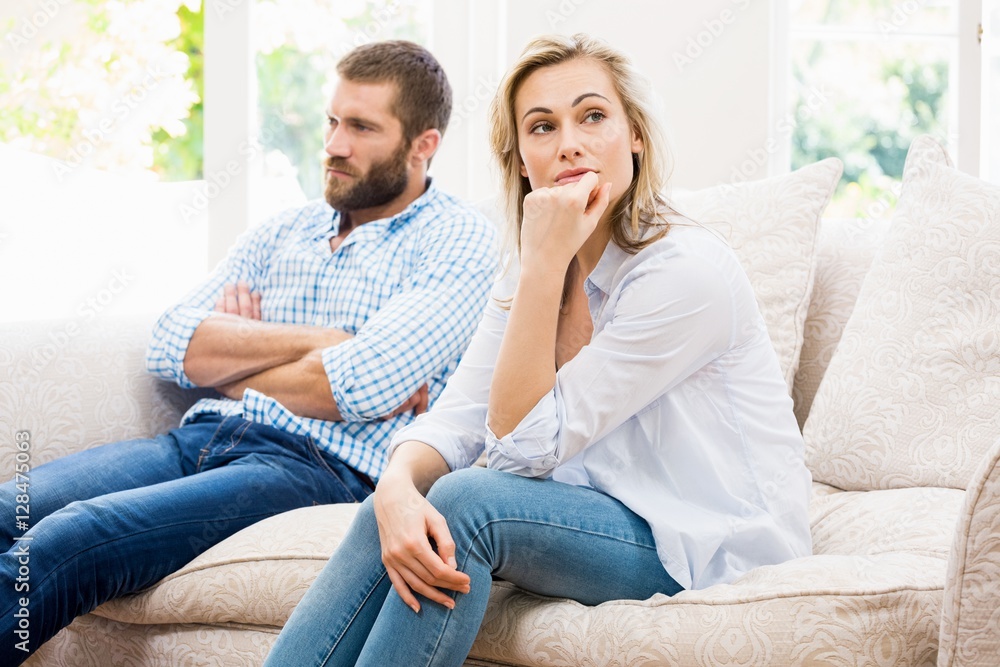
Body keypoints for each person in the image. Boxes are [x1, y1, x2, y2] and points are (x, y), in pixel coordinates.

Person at [263, 33, 812, 667]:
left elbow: (519, 449)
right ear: (523, 159)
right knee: (399, 512)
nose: (569, 142)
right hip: (601, 509)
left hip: (704, 539)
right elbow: (460, 415)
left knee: (468, 504)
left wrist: (545, 262)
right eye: (542, 127)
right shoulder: (531, 269)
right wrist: (392, 487)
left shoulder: (683, 275)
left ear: (635, 134)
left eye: (593, 116)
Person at [0, 40, 497, 664]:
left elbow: (357, 386)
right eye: (332, 121)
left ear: (424, 144)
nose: (335, 144)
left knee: (69, 539)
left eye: (362, 127)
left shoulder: (459, 239)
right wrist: (329, 343)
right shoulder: (280, 232)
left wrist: (234, 360)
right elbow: (168, 343)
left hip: (315, 469)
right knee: (5, 507)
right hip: (203, 438)